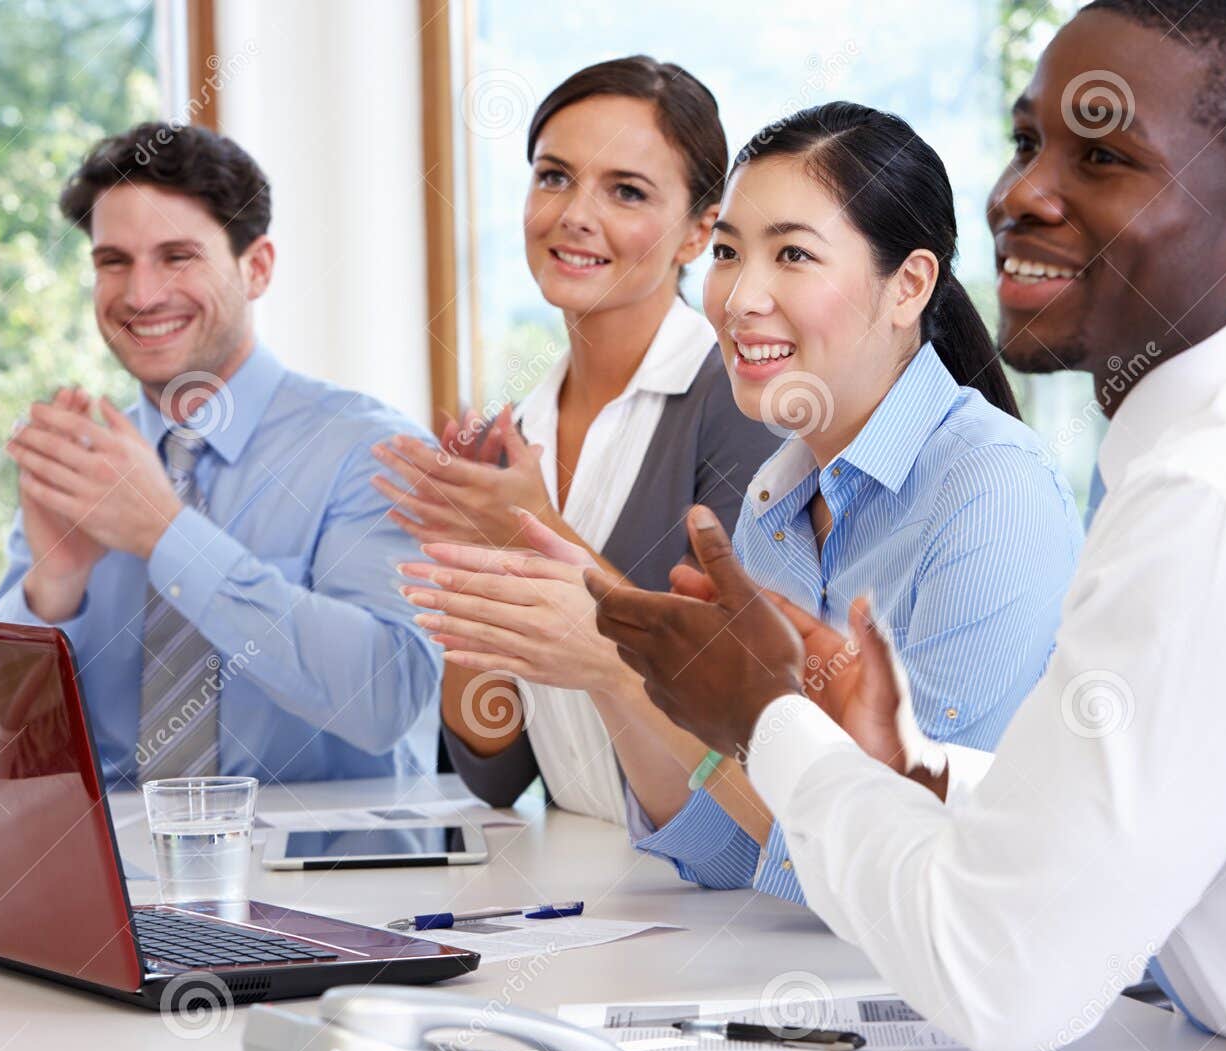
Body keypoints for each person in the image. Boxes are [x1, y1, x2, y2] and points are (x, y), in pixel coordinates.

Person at [583, 0, 1226, 1051]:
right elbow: (1128, 816)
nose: (1020, 194)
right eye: (1026, 142)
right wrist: (899, 759)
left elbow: (1006, 981)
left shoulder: (1220, 499)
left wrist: (768, 721)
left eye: (1103, 158)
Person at [403, 103, 1082, 907]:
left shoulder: (990, 492)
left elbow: (914, 858)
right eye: (729, 252)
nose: (739, 296)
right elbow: (729, 843)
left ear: (909, 286)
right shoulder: (776, 498)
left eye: (793, 253)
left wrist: (620, 671)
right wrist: (615, 673)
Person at [372, 56, 779, 825]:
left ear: (699, 230)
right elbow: (496, 770)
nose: (573, 214)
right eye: (554, 176)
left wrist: (535, 533)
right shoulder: (520, 429)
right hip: (584, 882)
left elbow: (726, 701)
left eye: (625, 191)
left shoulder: (735, 402)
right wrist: (470, 570)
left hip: (714, 886)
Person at [0, 122, 441, 785]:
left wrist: (168, 535)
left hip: (334, 882)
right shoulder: (85, 456)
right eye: (114, 261)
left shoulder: (372, 451)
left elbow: (385, 701)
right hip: (122, 880)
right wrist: (53, 587)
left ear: (255, 268)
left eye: (177, 256)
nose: (141, 296)